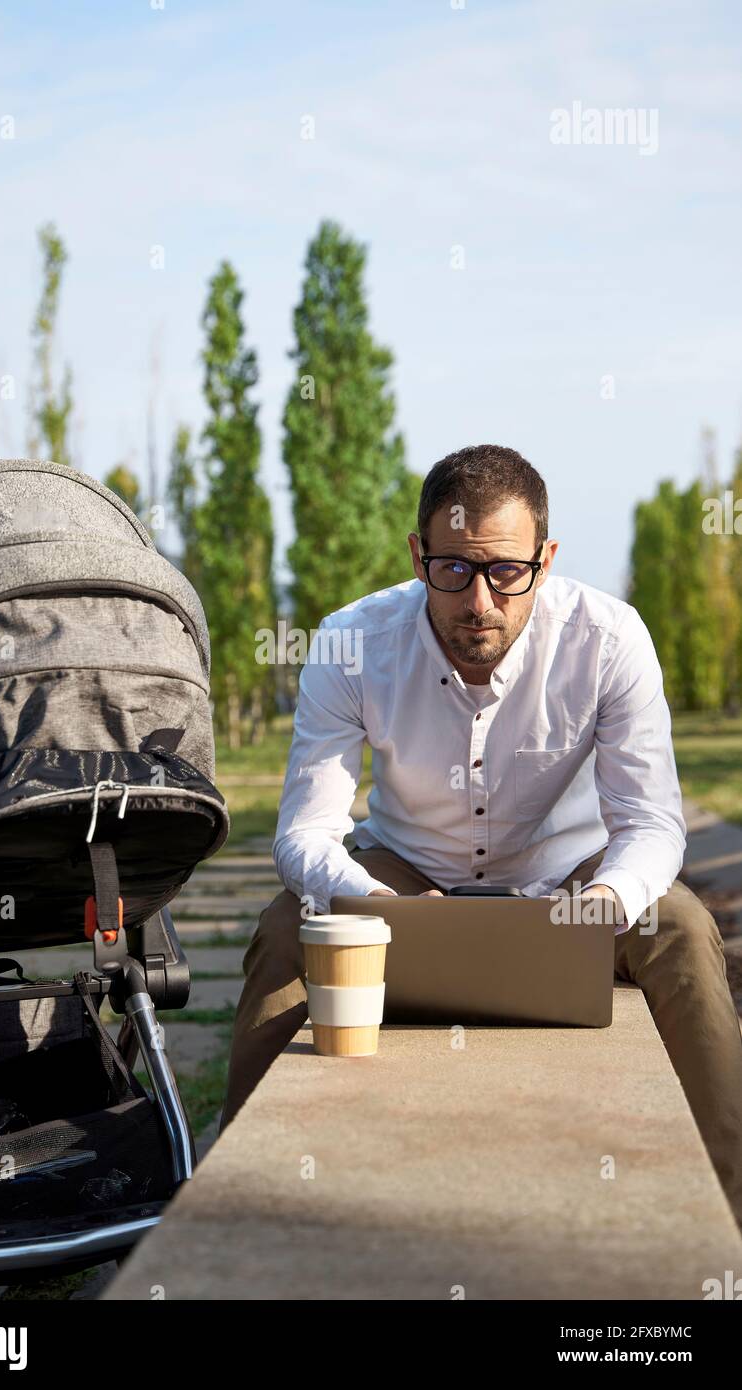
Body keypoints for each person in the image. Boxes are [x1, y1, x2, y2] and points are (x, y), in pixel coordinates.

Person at [219, 443, 742, 1230]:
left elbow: (650, 824)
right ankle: (235, 1216)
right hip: (402, 875)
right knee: (286, 930)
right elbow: (305, 837)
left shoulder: (608, 638)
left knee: (682, 927)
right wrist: (384, 906)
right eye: (454, 571)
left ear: (545, 558)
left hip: (568, 879)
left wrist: (604, 901)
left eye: (506, 572)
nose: (480, 603)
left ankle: (727, 1209)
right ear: (418, 555)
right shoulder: (349, 643)